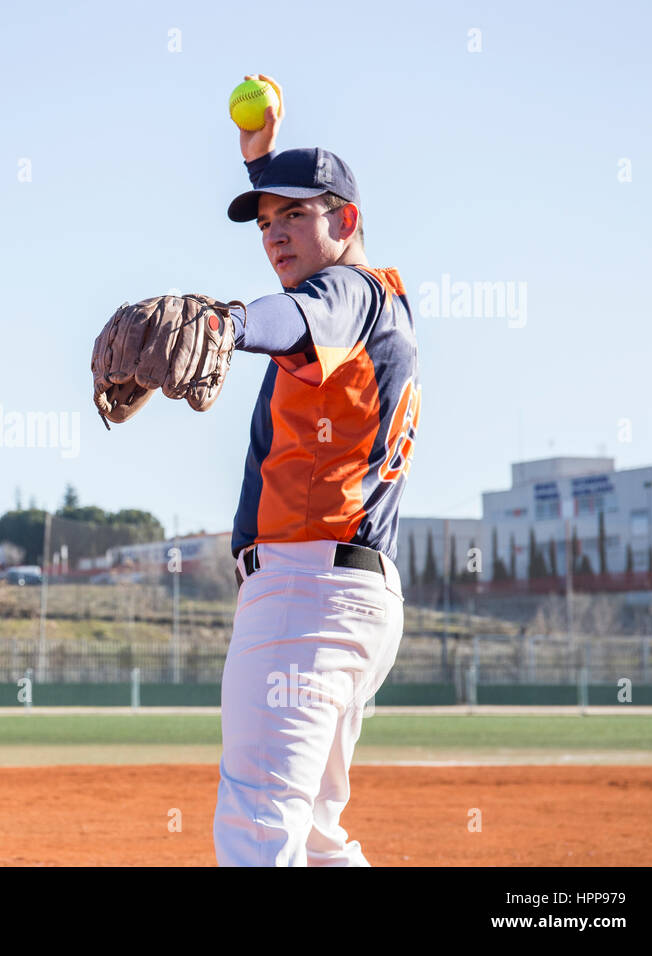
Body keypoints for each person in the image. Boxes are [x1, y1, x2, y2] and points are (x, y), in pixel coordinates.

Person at [214, 75, 420, 865]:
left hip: (307, 591)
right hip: (347, 596)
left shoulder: (345, 294)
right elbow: (303, 300)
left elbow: (299, 318)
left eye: (295, 215)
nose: (273, 234)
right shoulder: (382, 304)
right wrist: (259, 160)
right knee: (318, 840)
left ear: (348, 220)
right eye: (266, 220)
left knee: (259, 831)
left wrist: (226, 323)